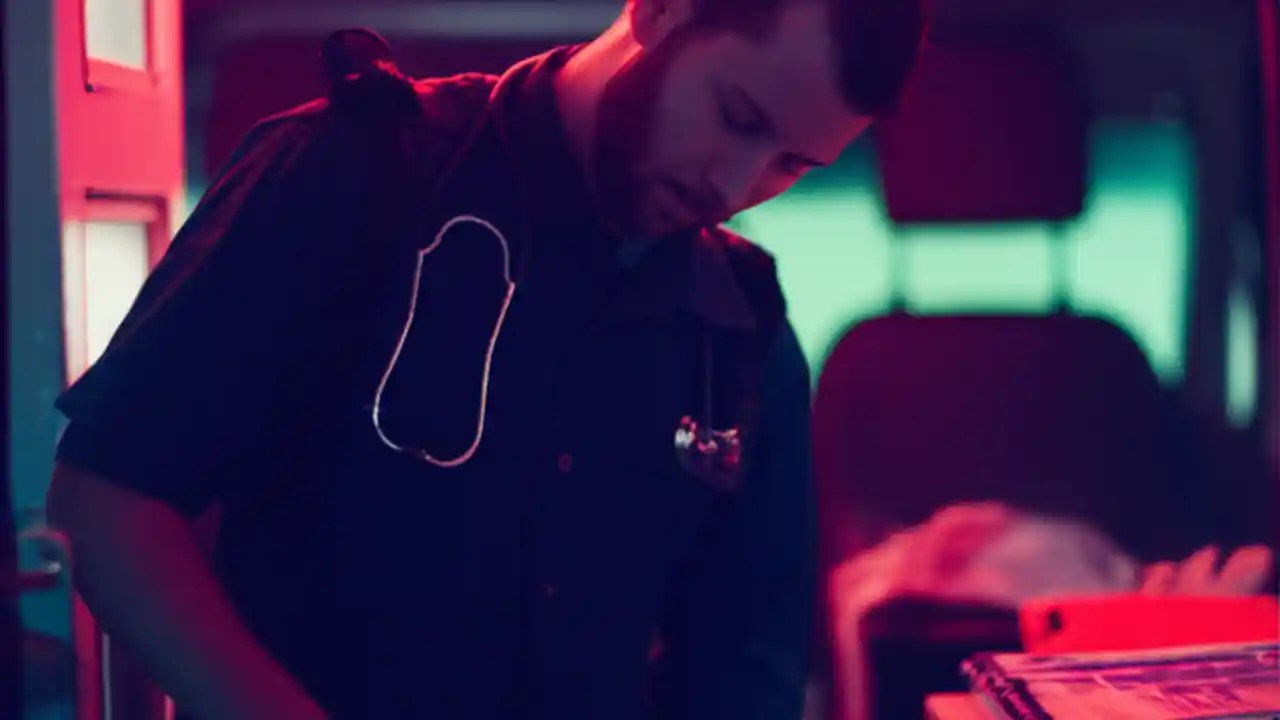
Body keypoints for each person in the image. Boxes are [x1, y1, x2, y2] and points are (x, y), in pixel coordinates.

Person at [46, 0, 926, 717]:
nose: (734, 188)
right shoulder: (353, 174)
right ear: (660, 9)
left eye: (791, 165)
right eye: (736, 116)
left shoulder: (746, 331)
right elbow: (108, 500)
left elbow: (742, 675)